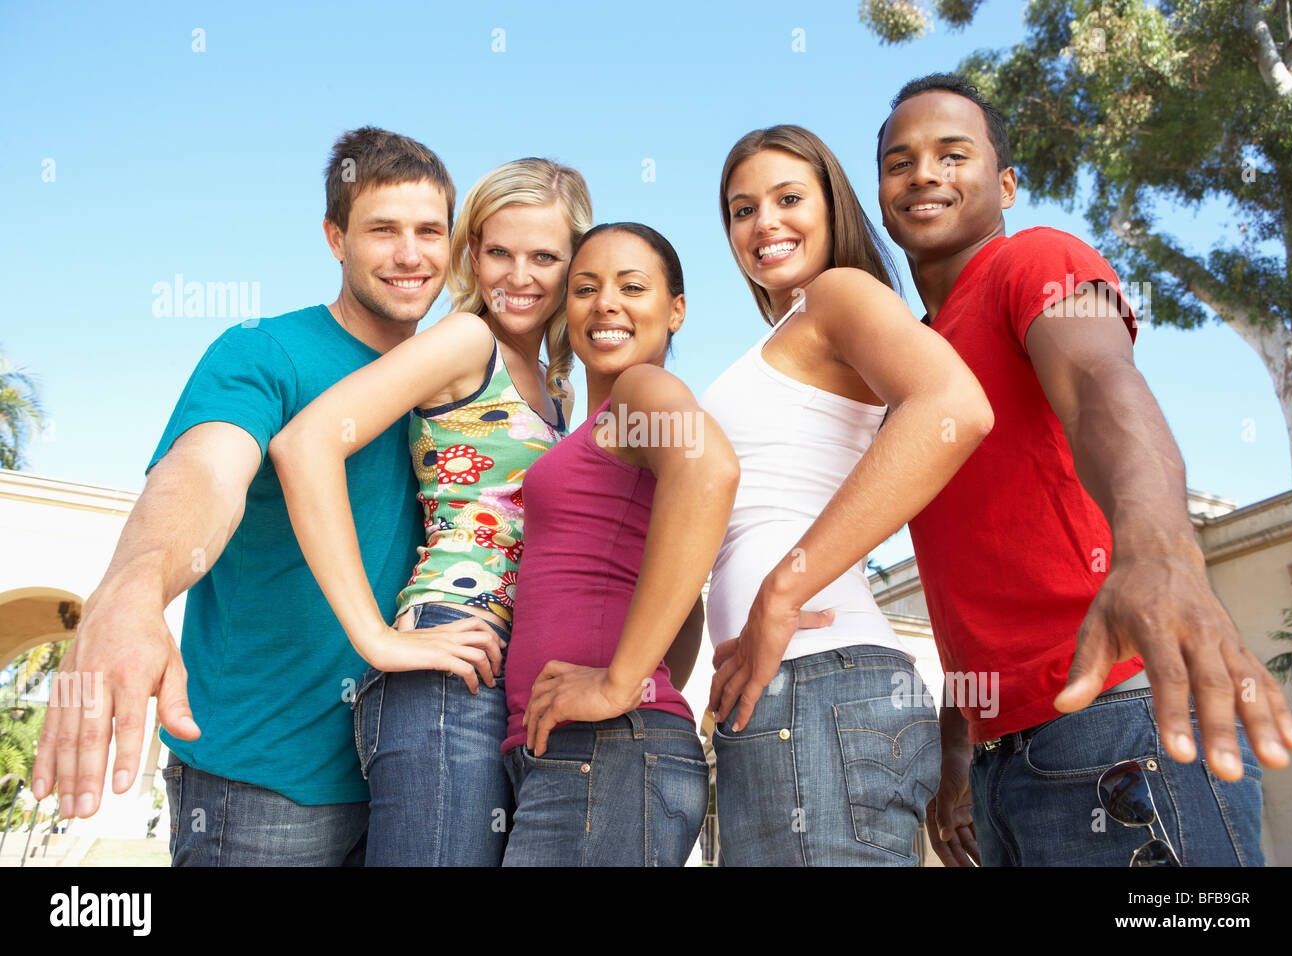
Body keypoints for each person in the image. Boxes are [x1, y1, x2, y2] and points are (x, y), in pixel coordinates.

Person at [876, 73, 1292, 867]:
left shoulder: (1036, 259)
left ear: (1005, 183)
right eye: (901, 162)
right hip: (1006, 767)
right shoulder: (913, 363)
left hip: (1121, 724)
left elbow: (1104, 385)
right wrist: (958, 754)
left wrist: (1159, 546)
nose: (924, 174)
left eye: (951, 154)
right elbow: (968, 580)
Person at [31, 127, 455, 865]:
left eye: (429, 231)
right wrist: (137, 584)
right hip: (258, 792)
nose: (410, 254)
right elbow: (204, 471)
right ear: (335, 237)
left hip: (410, 785)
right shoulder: (264, 352)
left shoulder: (456, 384)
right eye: (382, 229)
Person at [268, 158, 591, 866]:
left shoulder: (561, 388)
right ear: (472, 253)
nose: (518, 275)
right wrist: (377, 640)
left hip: (516, 672)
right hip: (448, 658)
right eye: (498, 251)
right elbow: (305, 444)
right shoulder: (467, 342)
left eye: (545, 256)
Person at [702, 125, 994, 866]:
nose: (764, 223)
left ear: (833, 207)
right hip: (792, 693)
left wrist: (778, 594)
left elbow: (954, 406)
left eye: (788, 198)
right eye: (742, 210)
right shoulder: (794, 329)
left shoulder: (839, 293)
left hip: (818, 683)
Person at [501, 223, 737, 867]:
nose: (605, 303)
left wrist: (621, 684)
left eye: (632, 287)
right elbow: (681, 596)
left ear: (676, 311)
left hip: (606, 745)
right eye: (585, 288)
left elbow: (708, 467)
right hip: (581, 750)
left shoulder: (642, 391)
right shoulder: (594, 428)